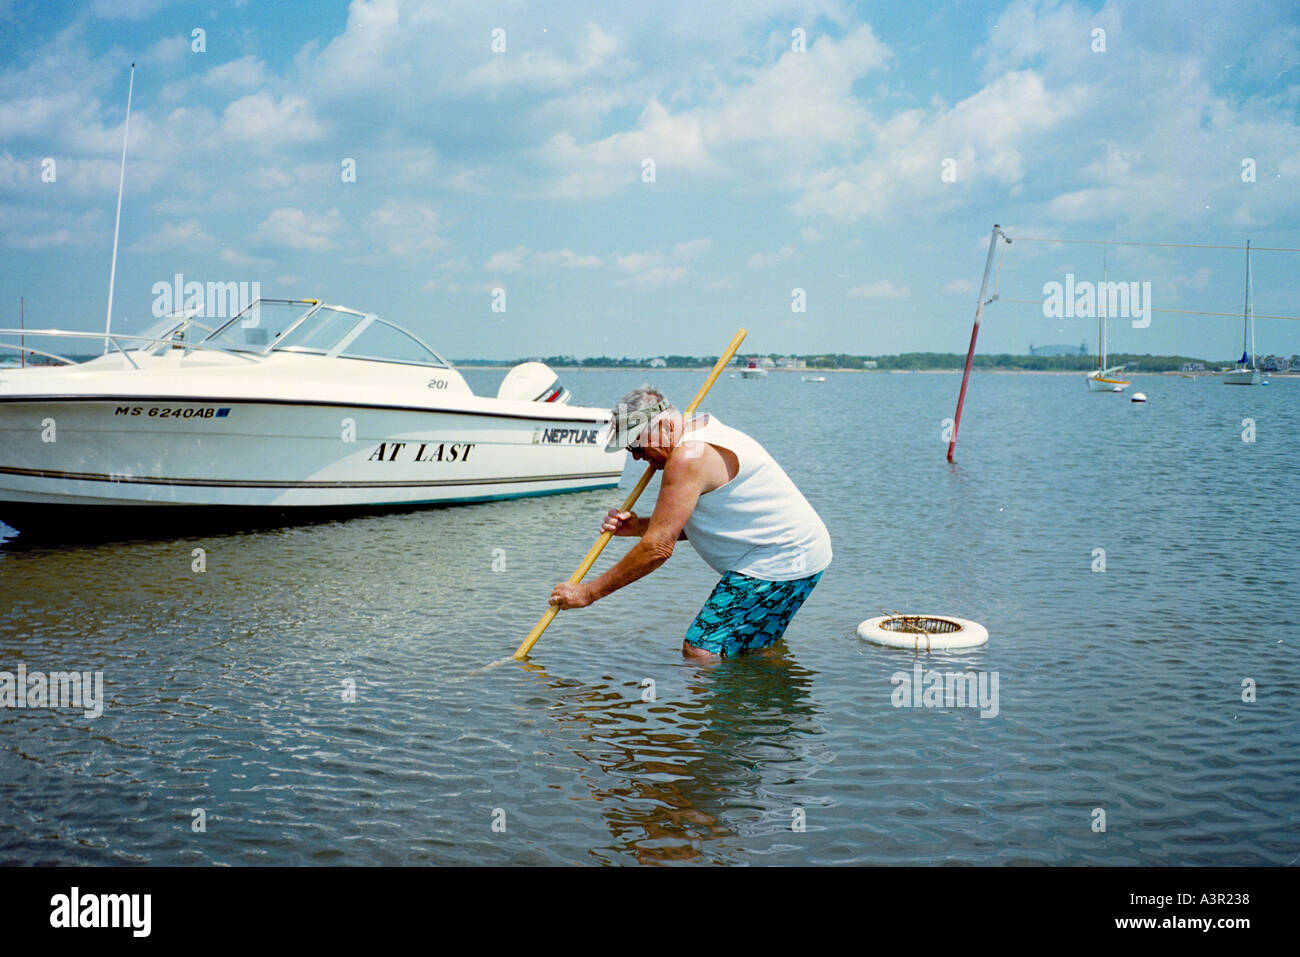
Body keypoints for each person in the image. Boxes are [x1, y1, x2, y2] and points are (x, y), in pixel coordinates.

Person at [550, 386, 831, 659]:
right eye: (629, 449)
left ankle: (719, 705)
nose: (636, 456)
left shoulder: (688, 456)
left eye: (637, 444)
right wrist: (638, 527)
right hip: (804, 552)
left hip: (780, 559)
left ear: (666, 427)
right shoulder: (700, 428)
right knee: (750, 647)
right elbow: (701, 522)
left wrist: (588, 593)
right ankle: (765, 699)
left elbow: (658, 548)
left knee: (700, 650)